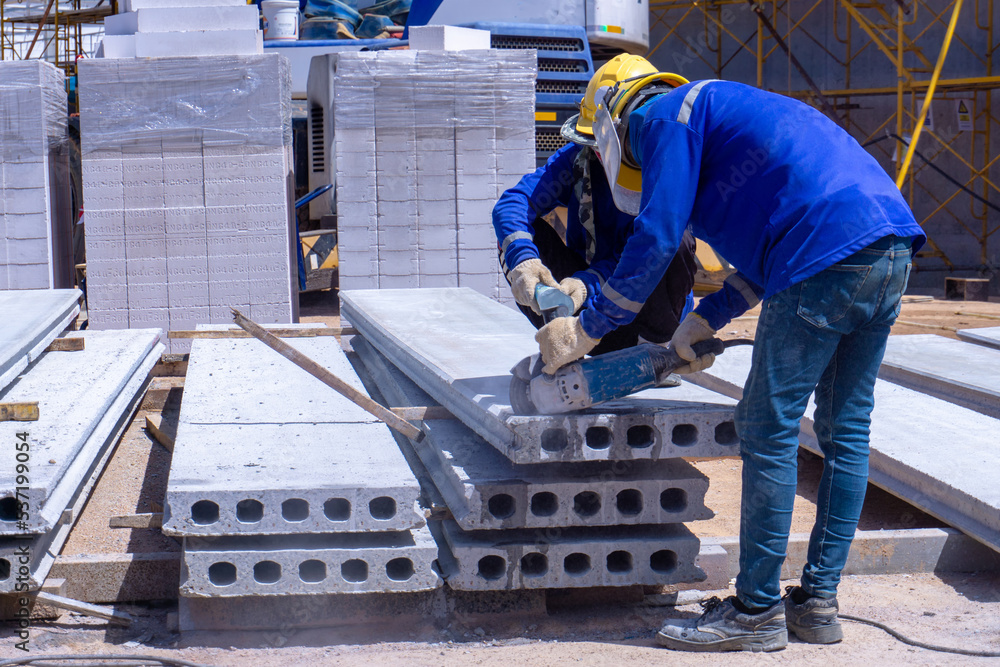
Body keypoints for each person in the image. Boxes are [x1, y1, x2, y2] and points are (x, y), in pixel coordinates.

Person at [533, 57, 925, 652]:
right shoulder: (716, 119)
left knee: (767, 428)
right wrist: (701, 321)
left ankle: (755, 611)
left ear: (612, 122)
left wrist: (590, 329)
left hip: (823, 251)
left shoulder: (664, 117)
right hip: (888, 244)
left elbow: (659, 237)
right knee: (846, 429)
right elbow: (766, 266)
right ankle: (817, 603)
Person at [493, 55, 697, 357]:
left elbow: (643, 254)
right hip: (588, 308)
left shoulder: (668, 173)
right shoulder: (581, 160)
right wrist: (525, 262)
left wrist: (588, 284)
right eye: (595, 144)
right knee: (515, 237)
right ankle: (561, 336)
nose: (601, 154)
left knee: (676, 242)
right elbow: (513, 203)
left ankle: (652, 349)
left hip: (647, 315)